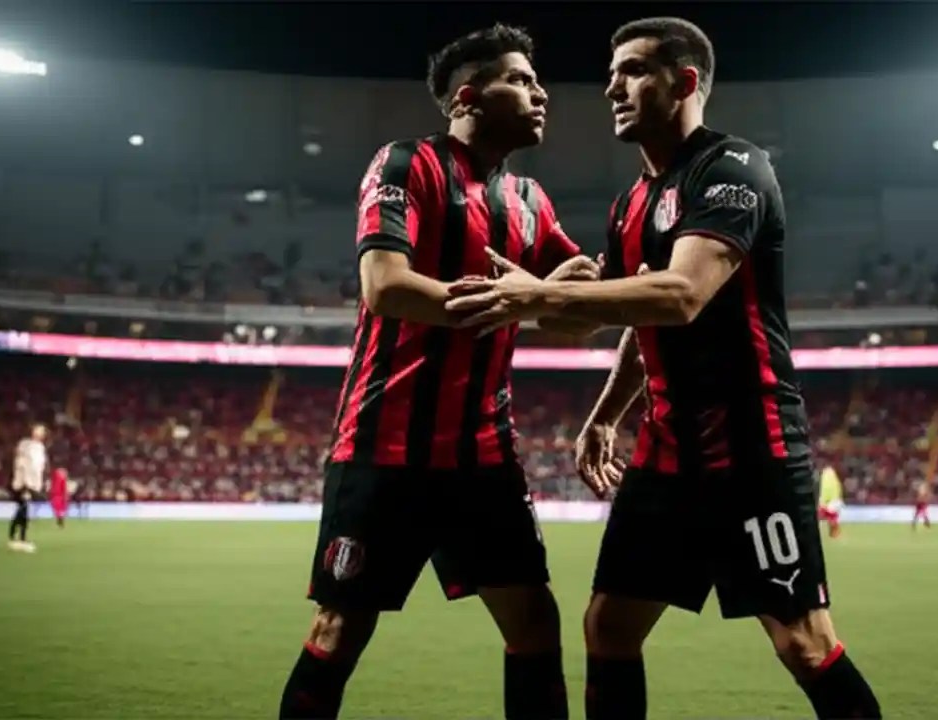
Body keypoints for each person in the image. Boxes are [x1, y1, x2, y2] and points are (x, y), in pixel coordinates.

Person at [446, 17, 880, 719]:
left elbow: (679, 296)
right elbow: (622, 313)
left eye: (634, 70)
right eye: (613, 72)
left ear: (683, 82)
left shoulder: (733, 169)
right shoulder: (631, 204)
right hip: (668, 455)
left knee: (802, 641)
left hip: (750, 449)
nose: (612, 85)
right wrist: (605, 413)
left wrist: (542, 292)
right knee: (608, 627)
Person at [278, 24, 596, 720]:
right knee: (340, 628)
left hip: (484, 457)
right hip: (384, 448)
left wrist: (573, 290)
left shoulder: (531, 201)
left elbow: (577, 315)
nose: (541, 92)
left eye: (537, 81)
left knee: (535, 623)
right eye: (520, 79)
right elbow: (386, 285)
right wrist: (521, 300)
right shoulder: (405, 164)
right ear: (466, 96)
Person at [8, 424, 47, 552]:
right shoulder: (26, 445)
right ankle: (17, 537)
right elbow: (24, 464)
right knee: (23, 509)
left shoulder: (39, 448)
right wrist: (25, 482)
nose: (40, 433)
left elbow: (38, 468)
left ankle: (18, 536)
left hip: (30, 484)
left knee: (23, 509)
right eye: (39, 431)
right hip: (24, 483)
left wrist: (37, 484)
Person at [817, 463, 843, 539]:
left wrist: (822, 501)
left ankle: (834, 533)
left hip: (829, 501)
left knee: (825, 517)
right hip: (834, 500)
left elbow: (825, 489)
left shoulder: (825, 477)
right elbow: (838, 489)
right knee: (832, 518)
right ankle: (835, 533)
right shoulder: (834, 478)